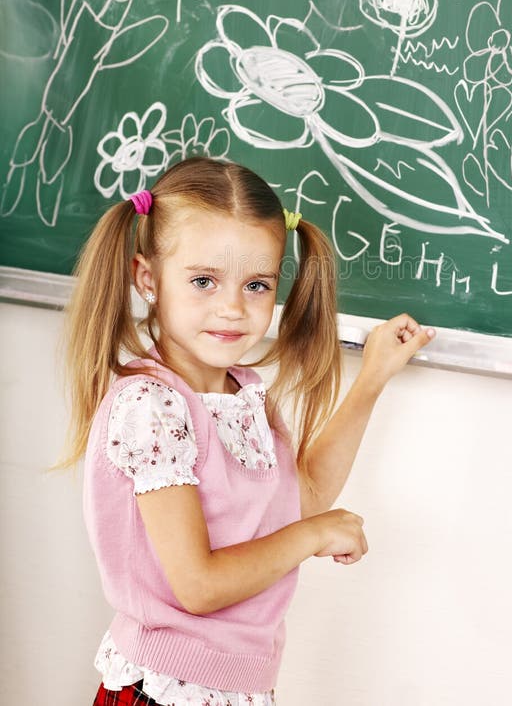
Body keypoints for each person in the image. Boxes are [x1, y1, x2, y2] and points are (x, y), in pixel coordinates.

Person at [62, 156, 435, 706]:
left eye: (257, 284)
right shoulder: (153, 405)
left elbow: (299, 501)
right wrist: (313, 537)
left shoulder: (242, 393)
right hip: (166, 692)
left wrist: (372, 378)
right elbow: (199, 586)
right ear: (148, 278)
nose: (233, 308)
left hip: (237, 688)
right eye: (204, 281)